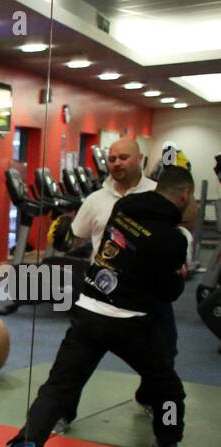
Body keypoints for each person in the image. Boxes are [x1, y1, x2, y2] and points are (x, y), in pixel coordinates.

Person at [0, 166, 194, 447]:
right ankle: (168, 439)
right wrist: (178, 277)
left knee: (60, 382)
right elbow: (168, 292)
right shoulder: (175, 240)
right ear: (185, 195)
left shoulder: (123, 207)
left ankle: (26, 440)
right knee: (168, 387)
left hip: (89, 310)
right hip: (132, 322)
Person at [58, 137, 192, 430]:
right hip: (103, 295)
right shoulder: (95, 200)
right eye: (112, 158)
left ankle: (150, 400)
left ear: (140, 159)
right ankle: (63, 411)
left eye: (124, 157)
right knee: (78, 363)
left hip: (150, 297)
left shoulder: (159, 193)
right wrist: (62, 235)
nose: (117, 163)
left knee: (164, 357)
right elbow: (76, 237)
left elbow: (178, 234)